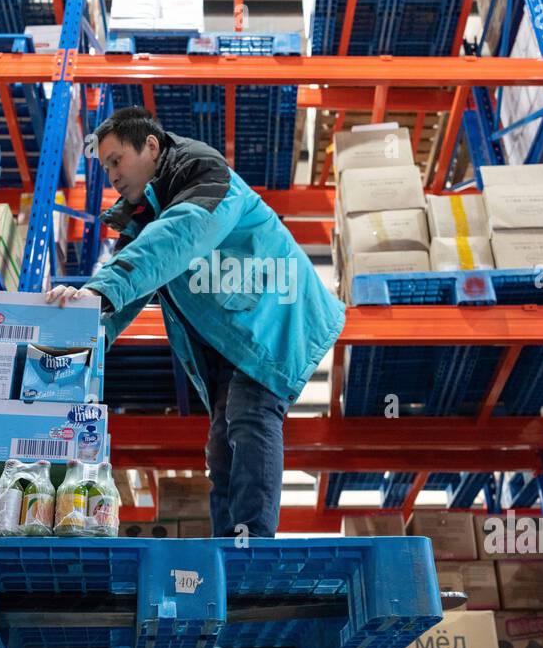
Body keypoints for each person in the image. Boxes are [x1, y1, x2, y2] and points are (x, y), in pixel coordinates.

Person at [46, 107, 345, 539]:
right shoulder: (145, 215)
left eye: (116, 161)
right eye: (105, 166)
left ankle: (251, 547)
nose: (110, 174)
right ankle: (230, 549)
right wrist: (80, 338)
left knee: (249, 415)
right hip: (233, 337)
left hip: (272, 318)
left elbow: (173, 241)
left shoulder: (205, 175)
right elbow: (129, 291)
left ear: (150, 145)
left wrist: (99, 290)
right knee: (220, 447)